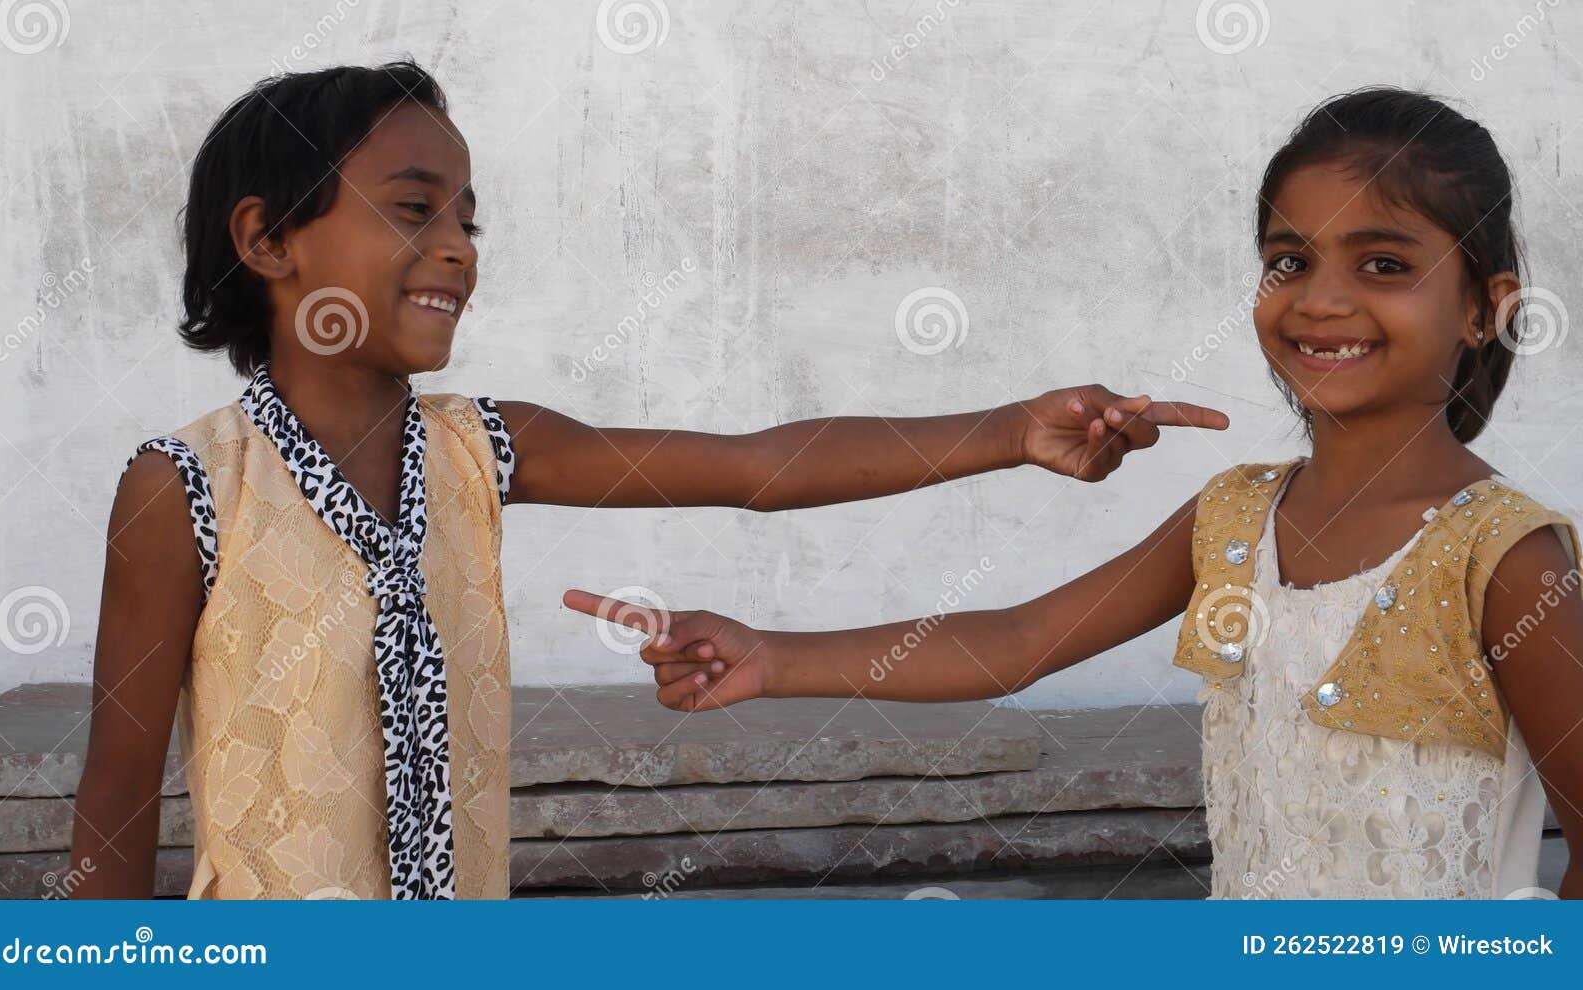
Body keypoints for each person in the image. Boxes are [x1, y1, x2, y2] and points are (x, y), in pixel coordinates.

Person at [70, 60, 1225, 900]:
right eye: (414, 209)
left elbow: (760, 468)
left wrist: (1011, 428)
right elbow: (114, 805)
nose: (462, 247)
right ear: (270, 240)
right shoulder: (188, 489)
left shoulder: (480, 447)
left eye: (469, 219)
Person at [569, 87, 1583, 899]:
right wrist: (770, 654)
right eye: (1288, 260)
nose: (1319, 298)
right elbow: (1018, 642)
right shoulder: (1235, 514)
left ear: (1484, 310)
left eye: (1383, 262)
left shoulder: (1505, 559)